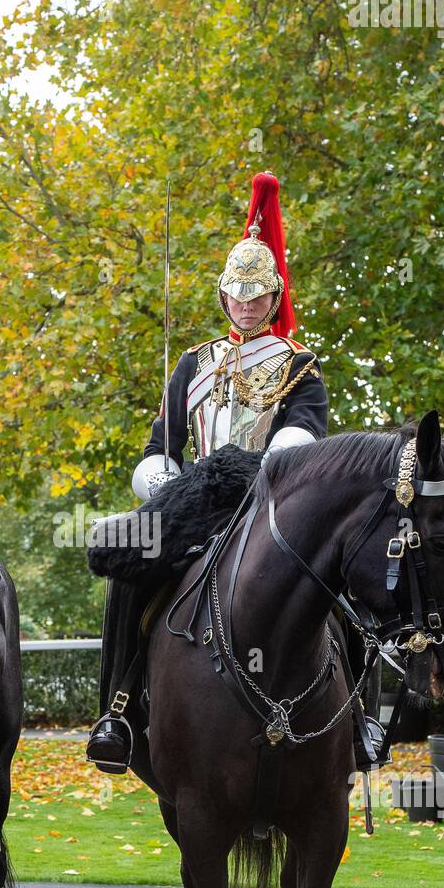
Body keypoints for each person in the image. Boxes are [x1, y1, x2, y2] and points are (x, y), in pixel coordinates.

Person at [86, 171, 329, 773]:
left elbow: (301, 445)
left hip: (272, 505)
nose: (246, 305)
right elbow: (158, 449)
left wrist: (255, 473)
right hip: (196, 507)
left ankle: (363, 721)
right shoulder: (194, 363)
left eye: (257, 296)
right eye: (236, 295)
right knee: (128, 566)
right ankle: (118, 708)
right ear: (224, 297)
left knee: (338, 579)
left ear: (274, 298)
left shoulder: (300, 366)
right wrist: (169, 486)